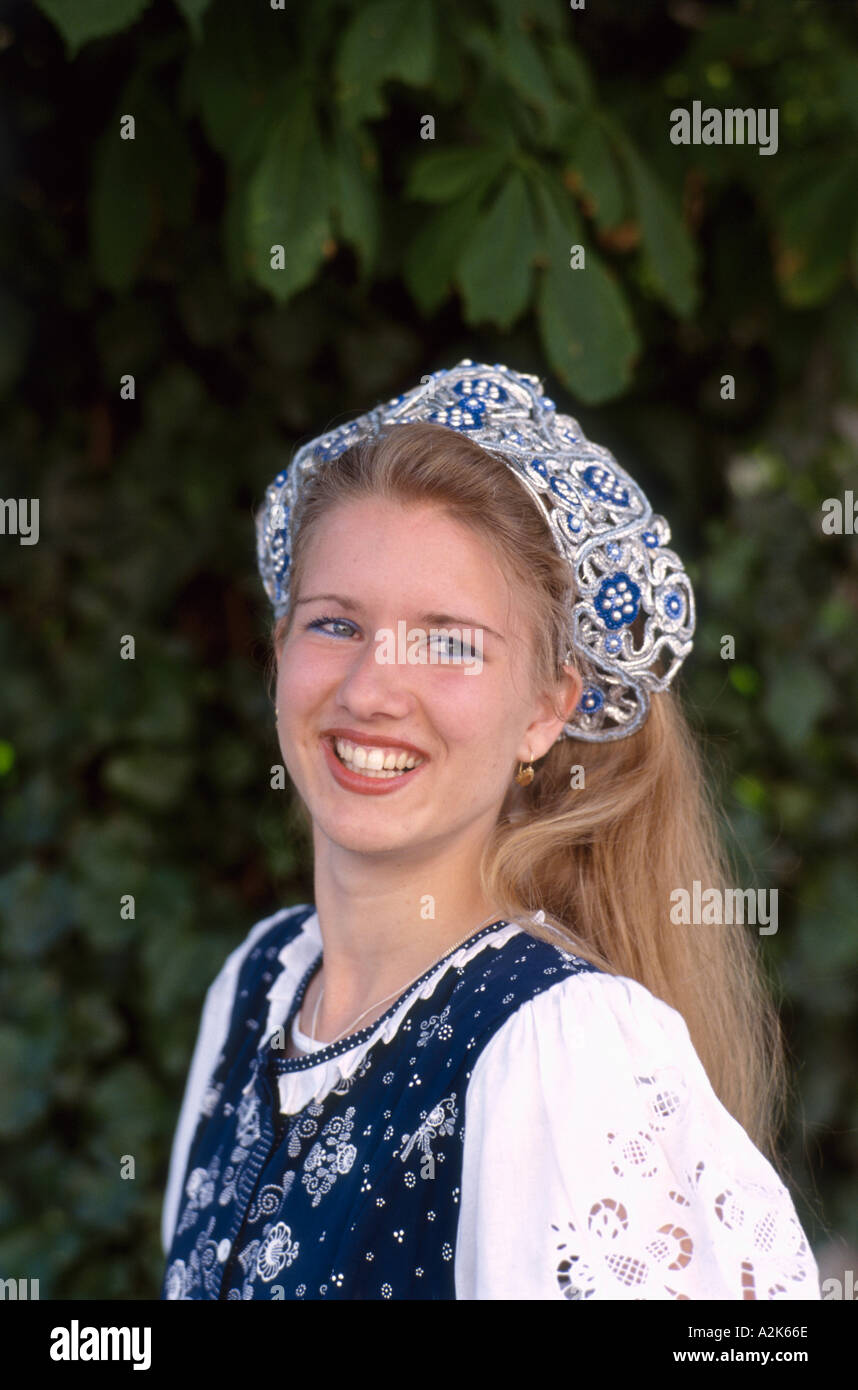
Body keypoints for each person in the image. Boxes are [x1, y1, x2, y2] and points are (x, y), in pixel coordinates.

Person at [159, 359, 819, 1300]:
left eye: (449, 642)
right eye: (335, 625)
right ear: (278, 652)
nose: (371, 690)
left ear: (549, 708)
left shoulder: (560, 1053)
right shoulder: (258, 986)